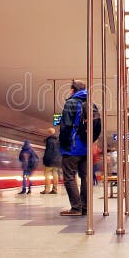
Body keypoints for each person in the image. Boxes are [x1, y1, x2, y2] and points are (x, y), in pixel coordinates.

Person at [58, 80, 100, 216]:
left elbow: (65, 126)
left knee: (69, 177)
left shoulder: (71, 103)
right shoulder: (92, 104)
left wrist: (63, 144)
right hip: (86, 147)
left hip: (72, 147)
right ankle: (85, 207)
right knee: (85, 177)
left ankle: (76, 208)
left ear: (73, 90)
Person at [40, 127, 60, 194]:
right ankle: (55, 189)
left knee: (47, 174)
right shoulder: (59, 140)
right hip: (57, 161)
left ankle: (47, 189)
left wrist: (45, 159)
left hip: (50, 160)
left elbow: (48, 151)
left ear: (49, 133)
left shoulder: (49, 140)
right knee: (55, 175)